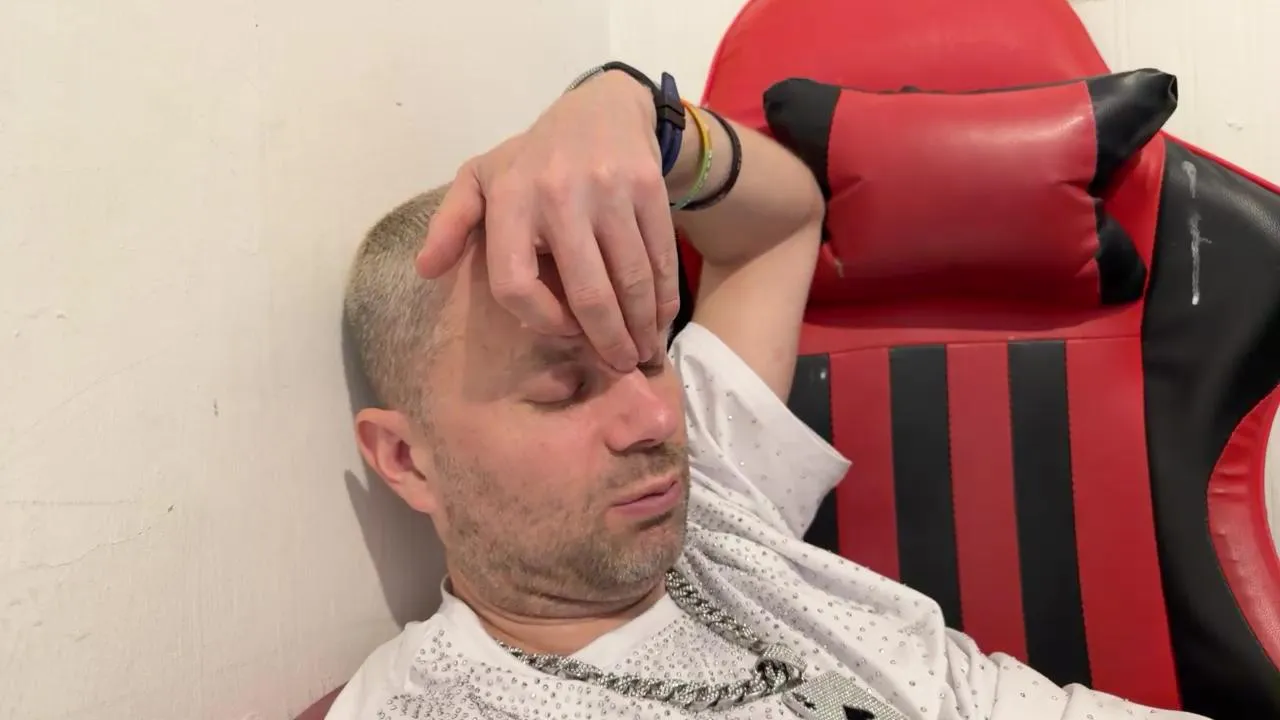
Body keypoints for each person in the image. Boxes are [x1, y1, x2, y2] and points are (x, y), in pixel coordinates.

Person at [330, 65, 1209, 719]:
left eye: (649, 354)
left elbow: (781, 222)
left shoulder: (704, 494)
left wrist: (635, 112)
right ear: (407, 459)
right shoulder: (439, 704)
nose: (656, 420)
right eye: (564, 391)